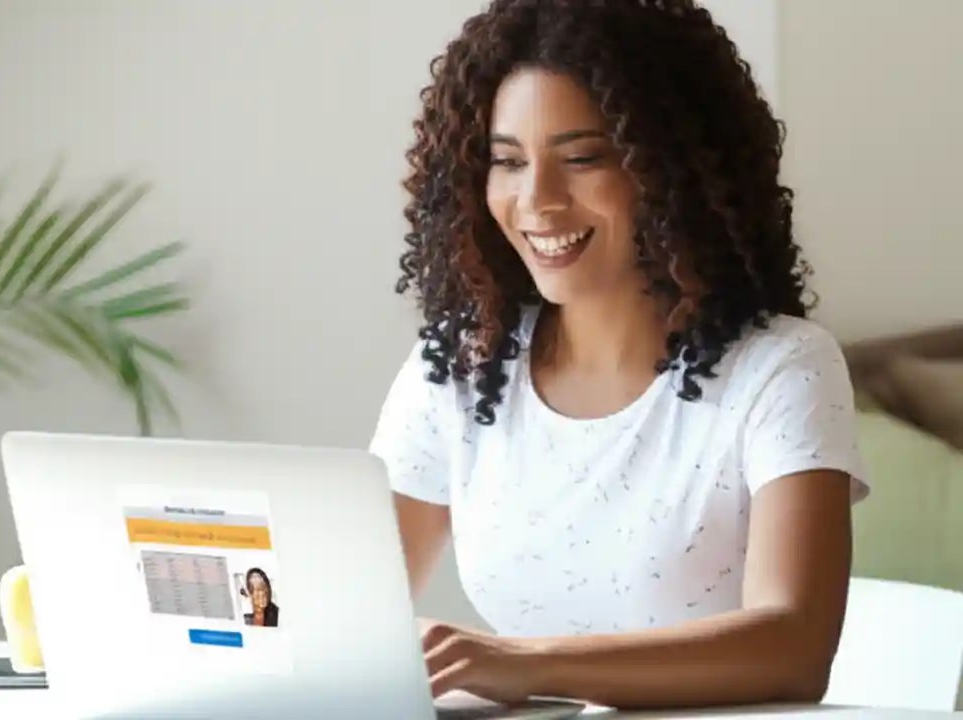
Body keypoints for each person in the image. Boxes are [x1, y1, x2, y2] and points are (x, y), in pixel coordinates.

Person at [369, 0, 869, 710]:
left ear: (670, 171)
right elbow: (346, 612)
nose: (536, 200)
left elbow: (792, 648)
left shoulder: (783, 368)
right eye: (507, 162)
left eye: (581, 158)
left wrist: (522, 663)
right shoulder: (459, 365)